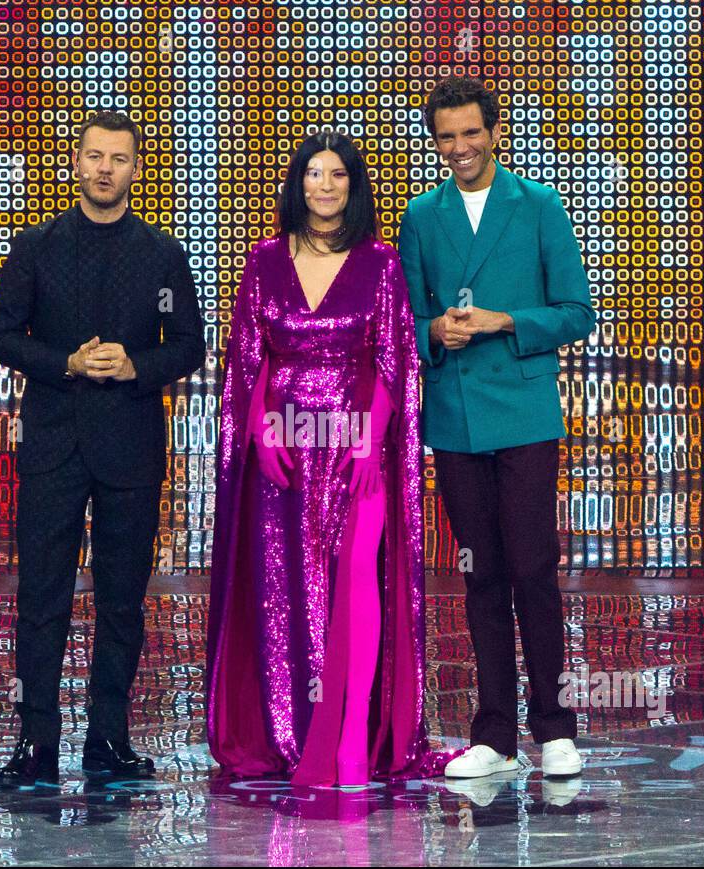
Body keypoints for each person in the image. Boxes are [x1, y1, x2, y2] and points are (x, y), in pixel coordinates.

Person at [206, 129, 445, 788]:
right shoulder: (262, 260)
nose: (325, 185)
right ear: (298, 183)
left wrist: (373, 441)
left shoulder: (382, 262)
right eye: (314, 172)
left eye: (338, 174)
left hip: (353, 450)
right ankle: (286, 731)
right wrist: (260, 431)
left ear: (353, 185)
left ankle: (348, 735)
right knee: (280, 590)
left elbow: (396, 360)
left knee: (352, 588)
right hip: (279, 453)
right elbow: (246, 358)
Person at [0, 110, 205, 787]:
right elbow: (0, 336)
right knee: (40, 596)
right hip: (53, 443)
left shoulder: (162, 255)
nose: (105, 168)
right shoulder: (37, 247)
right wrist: (67, 364)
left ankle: (109, 738)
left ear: (136, 169)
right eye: (95, 156)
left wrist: (135, 365)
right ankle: (35, 743)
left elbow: (189, 345)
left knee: (121, 602)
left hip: (130, 445)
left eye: (119, 158)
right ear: (76, 164)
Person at [398, 77, 595, 780]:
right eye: (446, 137)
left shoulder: (537, 204)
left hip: (525, 411)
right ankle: (494, 737)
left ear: (494, 130)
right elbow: (404, 323)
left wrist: (505, 320)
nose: (460, 149)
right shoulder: (422, 216)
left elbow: (577, 311)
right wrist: (434, 333)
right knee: (477, 576)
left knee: (533, 569)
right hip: (456, 416)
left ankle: (555, 730)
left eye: (470, 133)